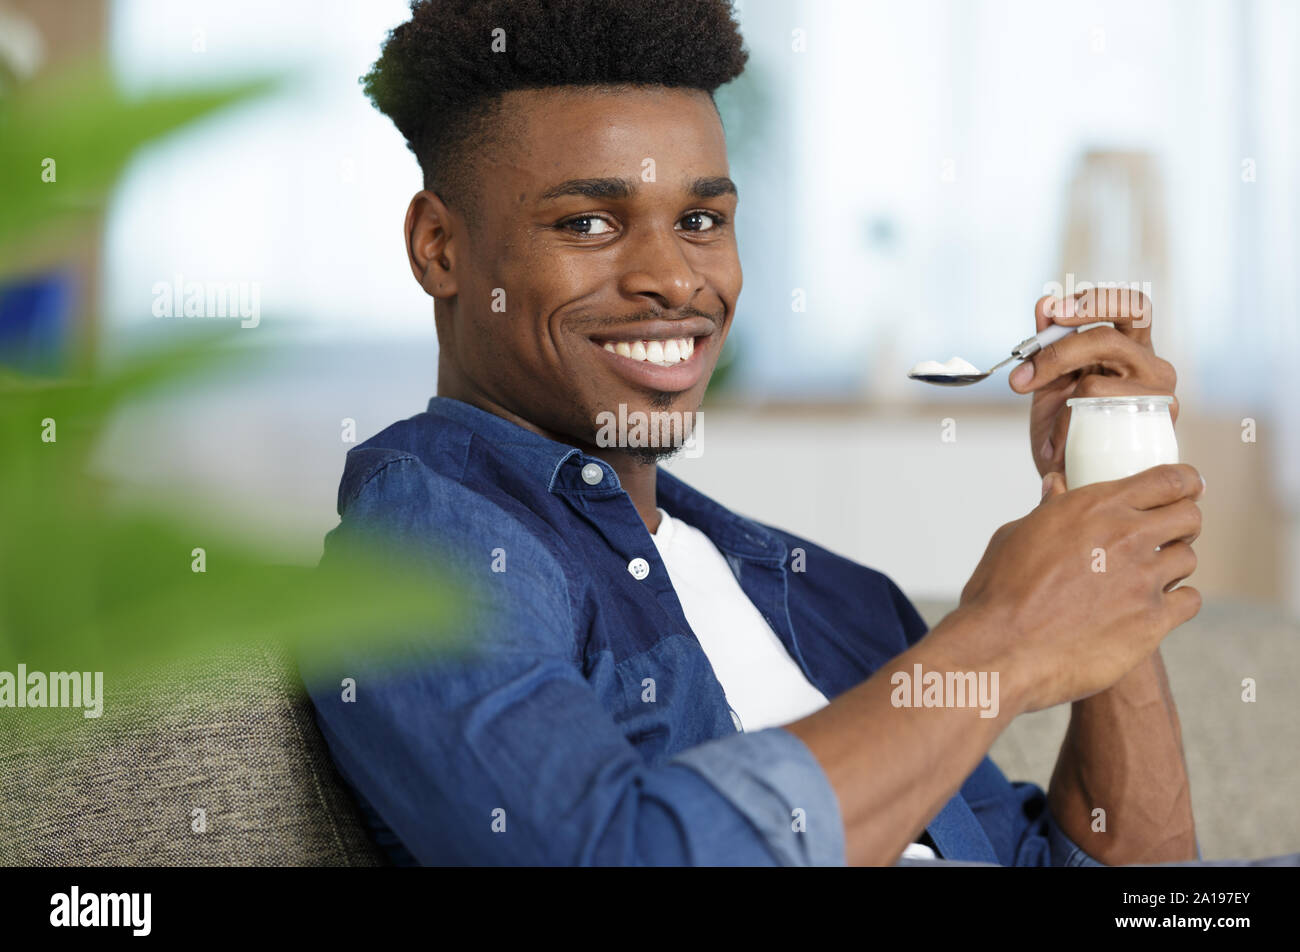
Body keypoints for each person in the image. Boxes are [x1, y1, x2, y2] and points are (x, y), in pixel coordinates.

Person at [304, 0, 1213, 866]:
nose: (672, 278)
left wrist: (1103, 528)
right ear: (439, 248)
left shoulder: (826, 597)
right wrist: (999, 641)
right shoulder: (428, 544)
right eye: (588, 222)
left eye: (700, 221)